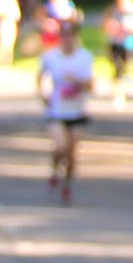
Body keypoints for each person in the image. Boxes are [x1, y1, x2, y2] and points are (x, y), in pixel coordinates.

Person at [36, 19, 94, 205]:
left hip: (77, 111)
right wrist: (42, 94)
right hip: (57, 111)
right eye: (64, 34)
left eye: (71, 35)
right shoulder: (51, 57)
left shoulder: (84, 57)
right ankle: (54, 171)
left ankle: (67, 186)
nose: (67, 39)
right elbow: (39, 76)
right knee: (61, 146)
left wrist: (77, 80)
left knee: (72, 152)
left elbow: (91, 85)